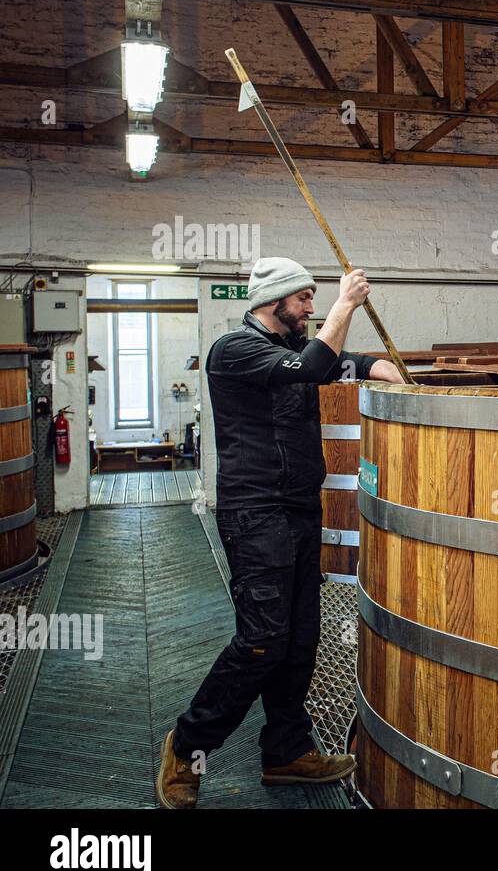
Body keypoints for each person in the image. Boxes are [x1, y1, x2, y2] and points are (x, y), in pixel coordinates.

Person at [156, 256, 402, 809]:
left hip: (296, 510)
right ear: (276, 301)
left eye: (317, 299)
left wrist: (376, 364)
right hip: (254, 512)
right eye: (305, 299)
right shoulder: (234, 350)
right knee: (262, 640)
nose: (312, 308)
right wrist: (345, 303)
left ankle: (286, 752)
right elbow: (313, 367)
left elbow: (334, 362)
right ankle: (186, 745)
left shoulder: (287, 350)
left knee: (298, 639)